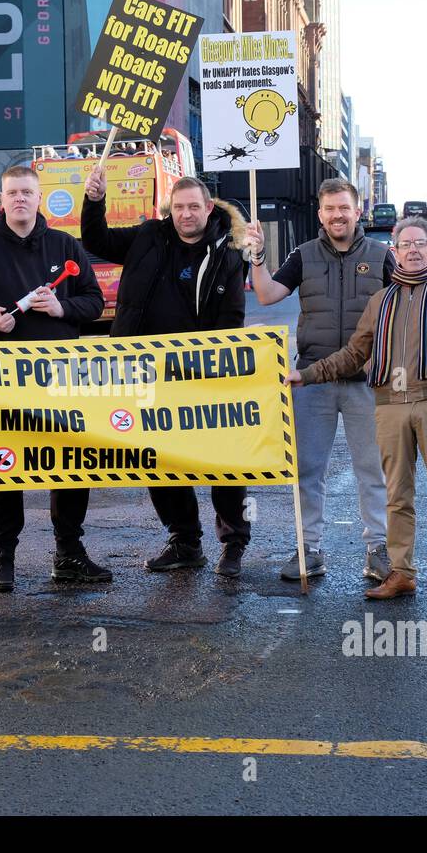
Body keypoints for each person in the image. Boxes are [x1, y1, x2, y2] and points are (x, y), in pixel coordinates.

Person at [286, 200, 427, 608]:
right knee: (397, 496)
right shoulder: (380, 301)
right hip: (389, 406)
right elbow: (353, 355)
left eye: (421, 243)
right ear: (394, 251)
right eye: (405, 244)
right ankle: (401, 573)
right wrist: (306, 374)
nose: (413, 249)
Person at [81, 166, 252, 577]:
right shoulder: (147, 236)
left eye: (194, 206)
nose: (186, 214)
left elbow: (231, 320)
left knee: (221, 460)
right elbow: (97, 240)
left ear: (209, 208)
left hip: (202, 377)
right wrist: (94, 201)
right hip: (144, 376)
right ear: (169, 209)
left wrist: (211, 365)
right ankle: (184, 542)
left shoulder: (228, 254)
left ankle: (232, 543)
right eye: (179, 207)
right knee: (158, 459)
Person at [0, 165, 110, 592]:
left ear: (40, 198)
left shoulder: (65, 245)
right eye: (12, 193)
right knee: (5, 466)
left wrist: (62, 310)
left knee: (71, 466)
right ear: (1, 200)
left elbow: (94, 302)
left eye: (27, 192)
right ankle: (3, 558)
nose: (20, 199)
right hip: (1, 381)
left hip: (61, 380)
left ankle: (69, 554)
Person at [245, 178, 393, 584]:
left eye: (344, 207)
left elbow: (407, 308)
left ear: (357, 210)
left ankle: (378, 549)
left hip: (367, 380)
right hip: (312, 378)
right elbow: (267, 295)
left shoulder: (383, 257)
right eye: (329, 209)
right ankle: (308, 549)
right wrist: (257, 258)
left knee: (372, 469)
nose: (337, 215)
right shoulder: (304, 255)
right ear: (320, 215)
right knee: (307, 470)